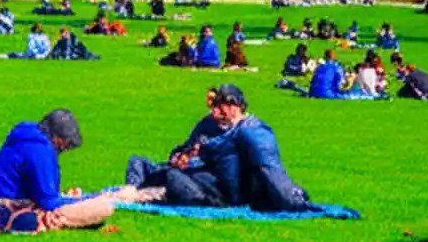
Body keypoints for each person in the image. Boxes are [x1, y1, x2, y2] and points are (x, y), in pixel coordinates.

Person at [161, 85, 313, 211]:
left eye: (219, 105)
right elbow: (187, 147)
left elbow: (270, 168)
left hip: (233, 192)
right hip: (208, 178)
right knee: (150, 168)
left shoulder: (252, 130)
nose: (214, 110)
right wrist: (180, 156)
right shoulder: (207, 124)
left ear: (235, 107)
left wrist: (292, 201)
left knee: (173, 178)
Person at [0, 109, 116, 233]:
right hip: (9, 213)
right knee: (103, 207)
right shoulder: (40, 151)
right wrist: (87, 198)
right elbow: (49, 202)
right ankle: (37, 222)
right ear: (57, 138)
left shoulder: (26, 139)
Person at [125, 89, 224, 189]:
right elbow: (186, 145)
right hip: (175, 167)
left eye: (214, 102)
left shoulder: (230, 133)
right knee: (136, 161)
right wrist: (177, 155)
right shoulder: (206, 123)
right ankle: (133, 192)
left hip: (192, 173)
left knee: (173, 176)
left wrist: (191, 161)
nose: (210, 106)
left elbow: (214, 162)